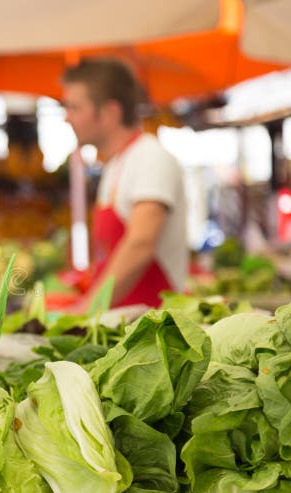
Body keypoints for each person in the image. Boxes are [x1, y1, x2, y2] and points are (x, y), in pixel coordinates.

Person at [62, 58, 187, 309]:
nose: (67, 118)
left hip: (152, 328)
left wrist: (88, 308)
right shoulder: (117, 165)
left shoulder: (150, 158)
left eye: (75, 108)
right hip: (124, 324)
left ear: (109, 113)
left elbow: (140, 243)